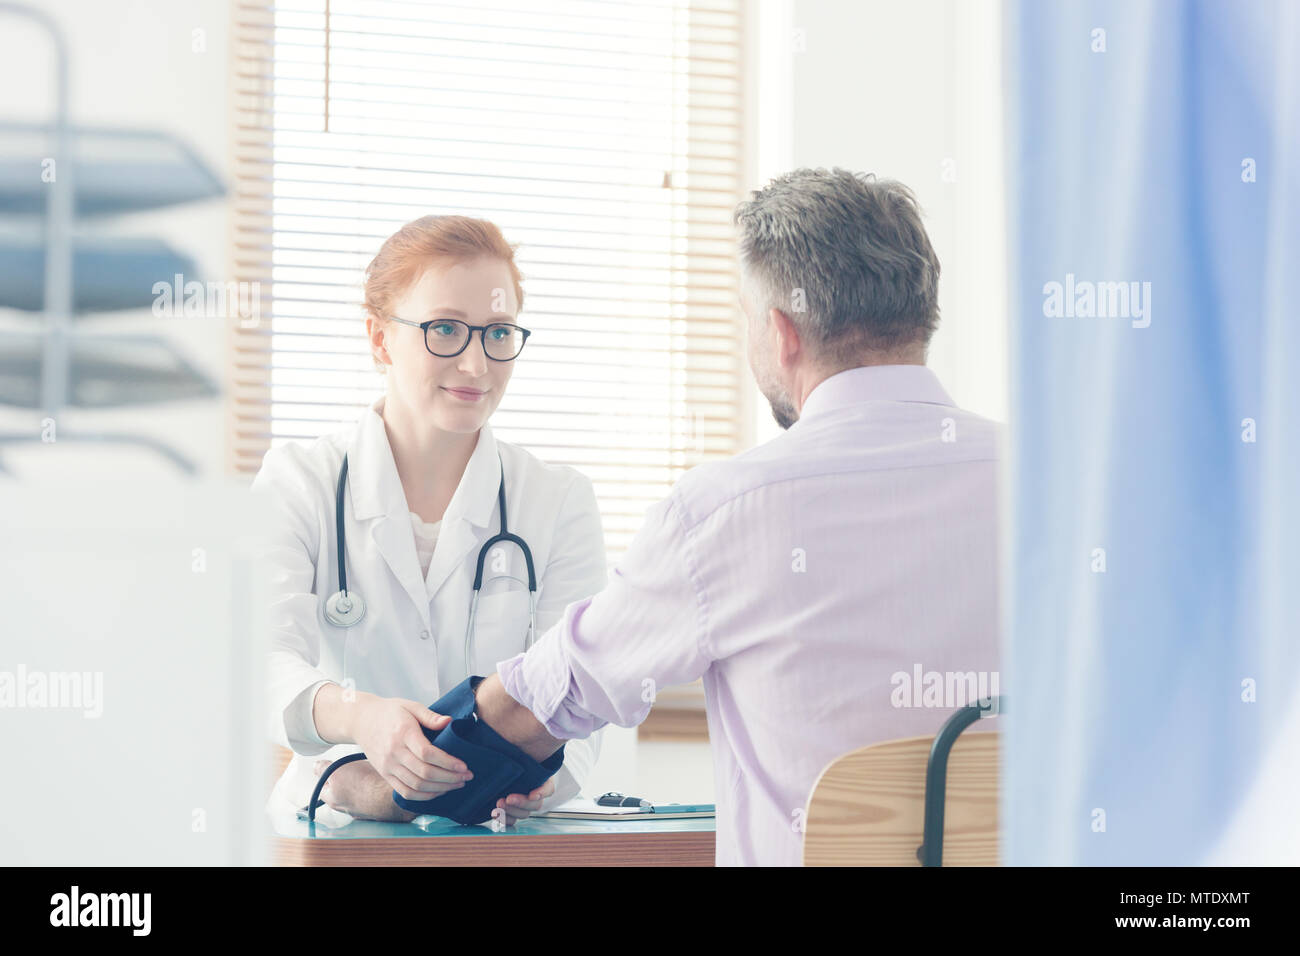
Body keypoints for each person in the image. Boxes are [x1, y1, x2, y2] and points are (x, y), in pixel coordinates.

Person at [468, 168, 1004, 864]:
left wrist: (416, 752)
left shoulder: (724, 513)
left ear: (781, 333)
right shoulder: (1060, 491)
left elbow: (552, 694)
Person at [253, 215, 607, 826]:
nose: (476, 364)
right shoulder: (299, 482)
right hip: (327, 830)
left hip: (499, 832)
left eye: (498, 333)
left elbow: (581, 691)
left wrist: (541, 781)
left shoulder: (558, 500)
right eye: (445, 328)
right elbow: (258, 660)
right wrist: (359, 716)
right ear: (379, 339)